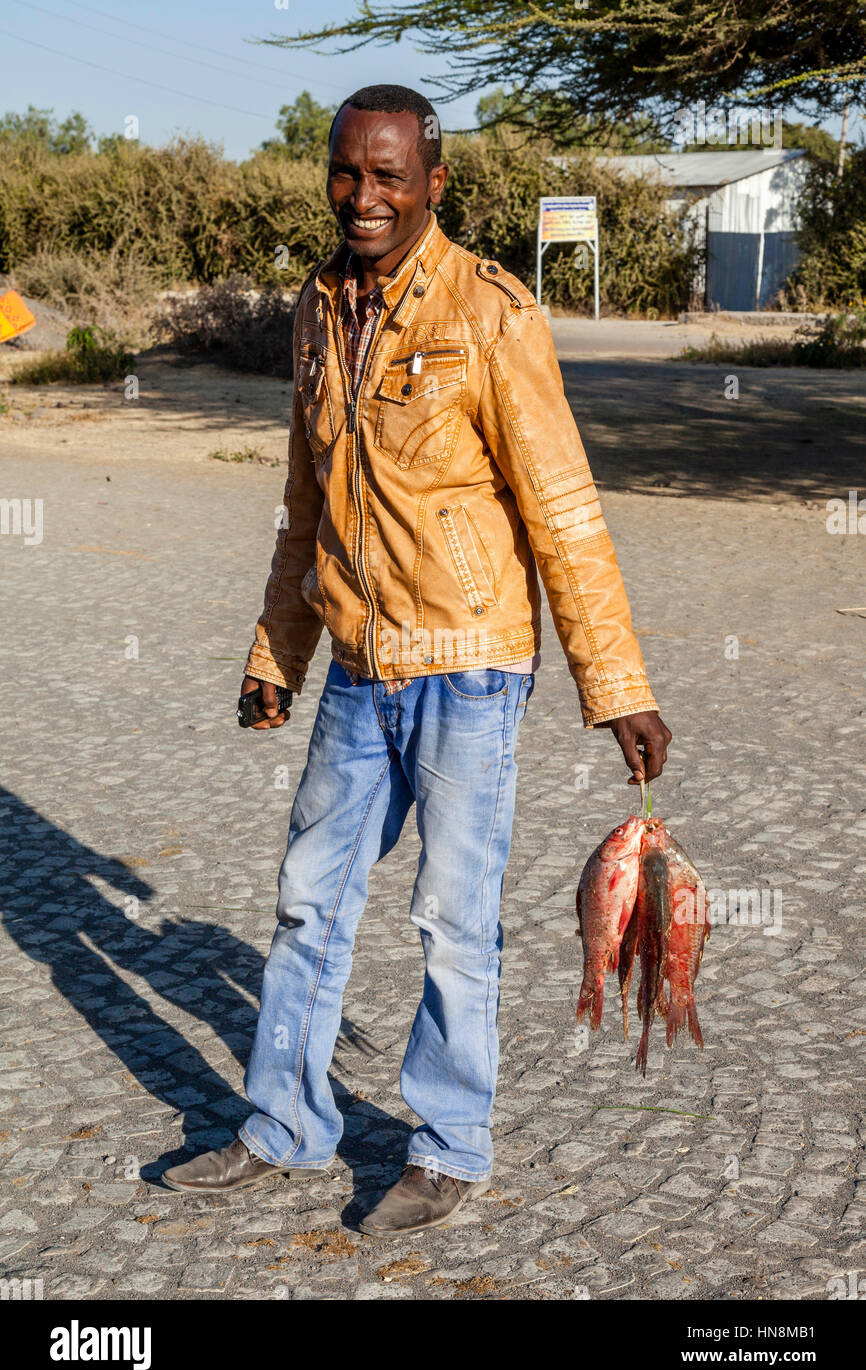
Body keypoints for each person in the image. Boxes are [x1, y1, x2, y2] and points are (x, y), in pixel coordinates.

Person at [163, 84, 672, 1235]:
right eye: (348, 172)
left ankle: (448, 1147)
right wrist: (274, 655)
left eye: (390, 175)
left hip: (471, 666)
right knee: (306, 903)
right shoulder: (313, 308)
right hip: (355, 666)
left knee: (451, 919)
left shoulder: (487, 311)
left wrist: (617, 683)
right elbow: (305, 506)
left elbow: (561, 508)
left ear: (434, 184)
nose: (364, 196)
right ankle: (282, 1123)